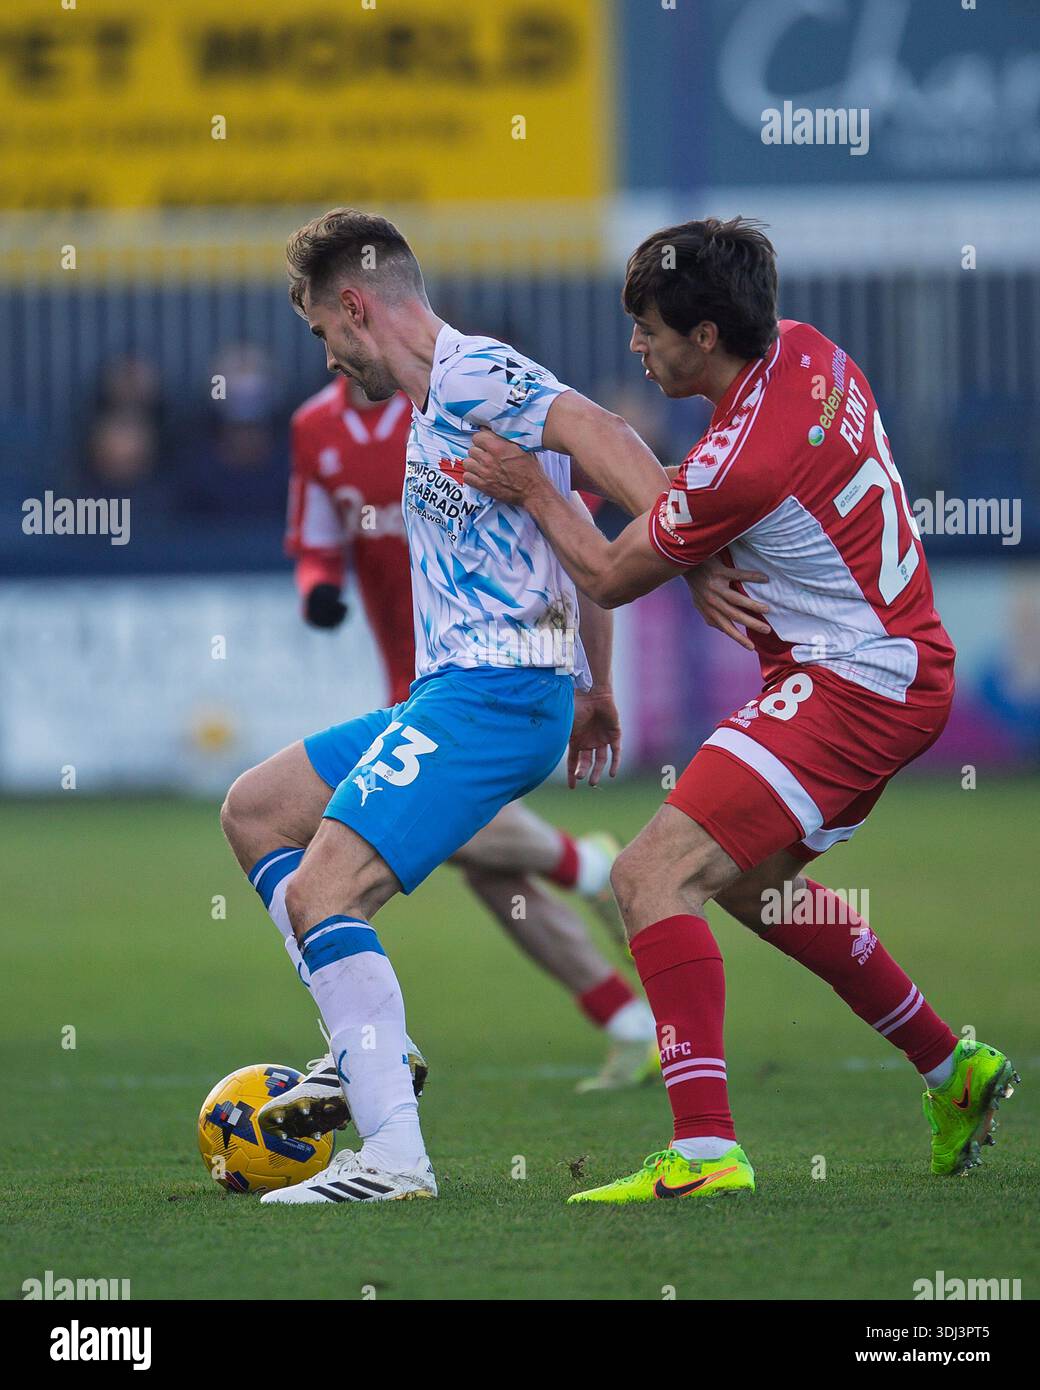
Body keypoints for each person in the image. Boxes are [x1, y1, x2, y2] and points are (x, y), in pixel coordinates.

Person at [463, 217, 1018, 1203]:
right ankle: (950, 1068)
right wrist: (699, 555)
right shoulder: (809, 351)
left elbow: (603, 568)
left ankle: (707, 1149)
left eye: (647, 329)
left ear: (705, 336)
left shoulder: (734, 464)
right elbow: (727, 499)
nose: (635, 345)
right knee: (753, 887)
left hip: (851, 683)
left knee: (647, 876)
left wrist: (529, 490)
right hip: (888, 661)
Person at [218, 206, 687, 1206]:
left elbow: (598, 438)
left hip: (495, 697)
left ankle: (393, 1156)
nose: (332, 361)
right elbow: (564, 515)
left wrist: (686, 537)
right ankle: (359, 1045)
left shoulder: (476, 373)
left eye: (323, 335)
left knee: (322, 892)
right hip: (461, 690)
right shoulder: (434, 404)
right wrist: (598, 684)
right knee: (255, 809)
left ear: (354, 306)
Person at [284, 372, 660, 1092]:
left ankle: (587, 872)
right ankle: (626, 1017)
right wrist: (319, 591)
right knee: (487, 870)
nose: (332, 356)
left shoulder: (455, 412)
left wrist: (585, 672)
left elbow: (569, 519)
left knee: (452, 843)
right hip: (416, 675)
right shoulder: (313, 429)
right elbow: (317, 542)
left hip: (488, 673)